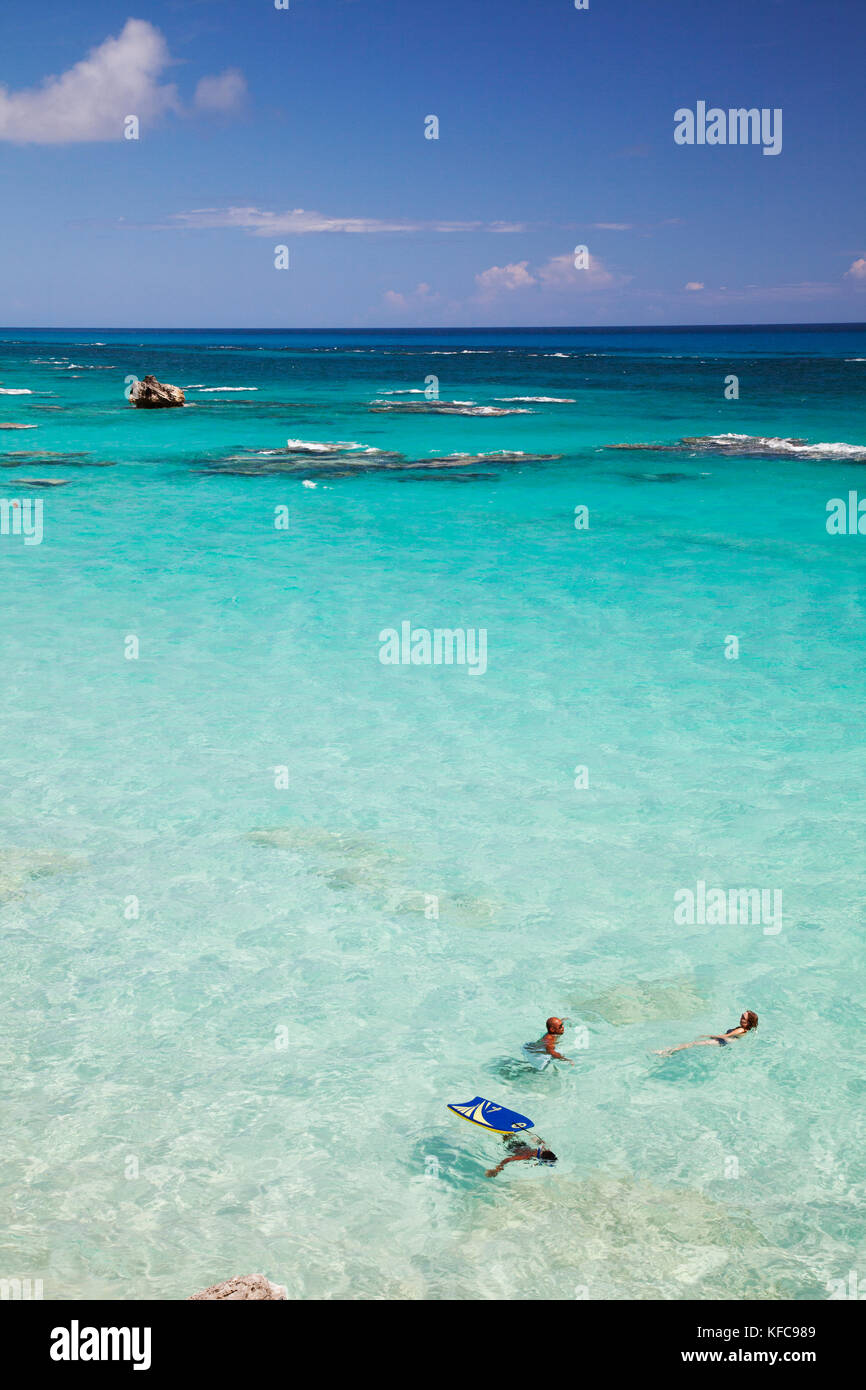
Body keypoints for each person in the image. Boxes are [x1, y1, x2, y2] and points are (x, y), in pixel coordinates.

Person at [654, 1010, 759, 1056]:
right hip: (724, 1043)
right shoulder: (746, 1030)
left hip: (720, 1042)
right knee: (692, 1044)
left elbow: (725, 1036)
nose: (740, 1018)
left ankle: (666, 1052)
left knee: (692, 1044)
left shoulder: (740, 1029)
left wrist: (709, 1035)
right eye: (741, 1016)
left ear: (748, 1022)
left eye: (743, 1018)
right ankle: (670, 1051)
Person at [486, 1134, 558, 1178]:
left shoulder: (529, 1154)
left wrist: (497, 1169)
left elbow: (508, 1159)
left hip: (516, 1145)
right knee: (509, 1136)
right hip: (515, 1145)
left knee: (509, 1136)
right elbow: (508, 1159)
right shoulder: (529, 1155)